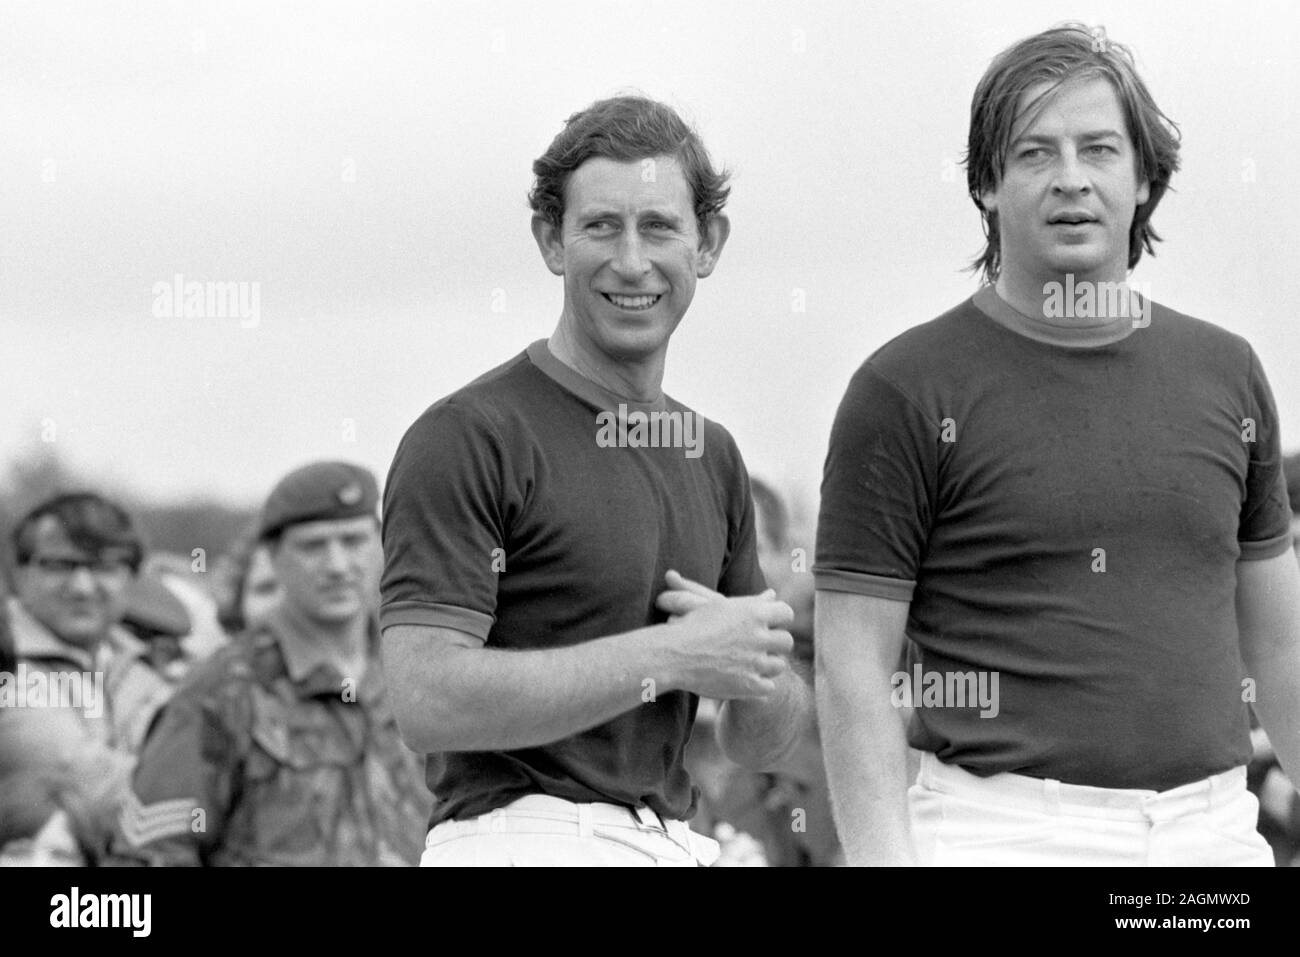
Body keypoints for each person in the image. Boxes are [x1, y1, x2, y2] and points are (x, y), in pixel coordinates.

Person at [815, 23, 1300, 866]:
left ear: (1144, 177)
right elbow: (854, 670)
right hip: (999, 835)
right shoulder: (902, 389)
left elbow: (1282, 649)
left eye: (1099, 149)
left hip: (1211, 839)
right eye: (1035, 153)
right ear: (987, 186)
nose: (1070, 178)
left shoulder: (1230, 373)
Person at [381, 94, 811, 867]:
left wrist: (755, 668)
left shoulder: (712, 456)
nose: (632, 261)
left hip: (673, 842)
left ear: (707, 243)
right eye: (601, 226)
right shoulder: (470, 436)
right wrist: (673, 657)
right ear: (552, 239)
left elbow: (765, 737)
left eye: (659, 227)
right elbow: (426, 699)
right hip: (525, 841)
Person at [111, 462, 428, 865]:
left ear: (382, 546)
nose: (337, 565)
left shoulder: (413, 668)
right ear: (273, 557)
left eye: (353, 541)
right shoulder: (220, 691)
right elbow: (151, 853)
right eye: (313, 546)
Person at [0, 492, 171, 863]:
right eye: (59, 566)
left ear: (132, 577)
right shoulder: (7, 667)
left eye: (103, 568)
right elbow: (86, 783)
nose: (82, 587)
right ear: (19, 573)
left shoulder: (149, 673)